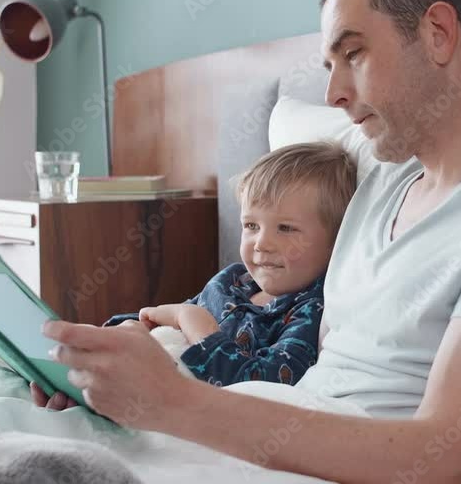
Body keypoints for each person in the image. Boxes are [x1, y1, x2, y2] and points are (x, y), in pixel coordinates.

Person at [37, 0, 461, 482]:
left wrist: (168, 402)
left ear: (438, 34)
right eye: (329, 63)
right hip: (275, 439)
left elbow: (438, 456)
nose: (335, 93)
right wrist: (111, 376)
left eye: (354, 54)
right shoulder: (383, 177)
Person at [37, 142, 357, 403]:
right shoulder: (232, 282)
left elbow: (263, 388)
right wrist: (117, 332)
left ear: (336, 240)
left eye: (286, 228)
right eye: (250, 225)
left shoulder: (310, 311)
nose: (262, 243)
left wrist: (198, 326)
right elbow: (161, 322)